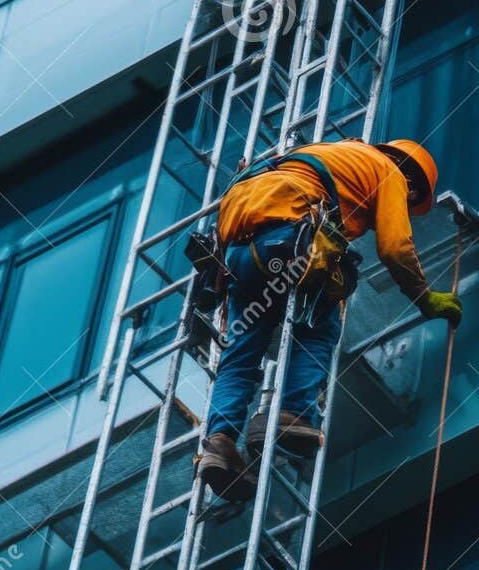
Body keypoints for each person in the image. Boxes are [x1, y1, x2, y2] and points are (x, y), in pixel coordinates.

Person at [195, 138, 463, 500]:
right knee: (319, 326)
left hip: (238, 256)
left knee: (240, 358)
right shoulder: (389, 173)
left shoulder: (324, 154)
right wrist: (424, 298)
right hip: (285, 239)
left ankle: (219, 443)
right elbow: (395, 247)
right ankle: (294, 414)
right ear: (411, 183)